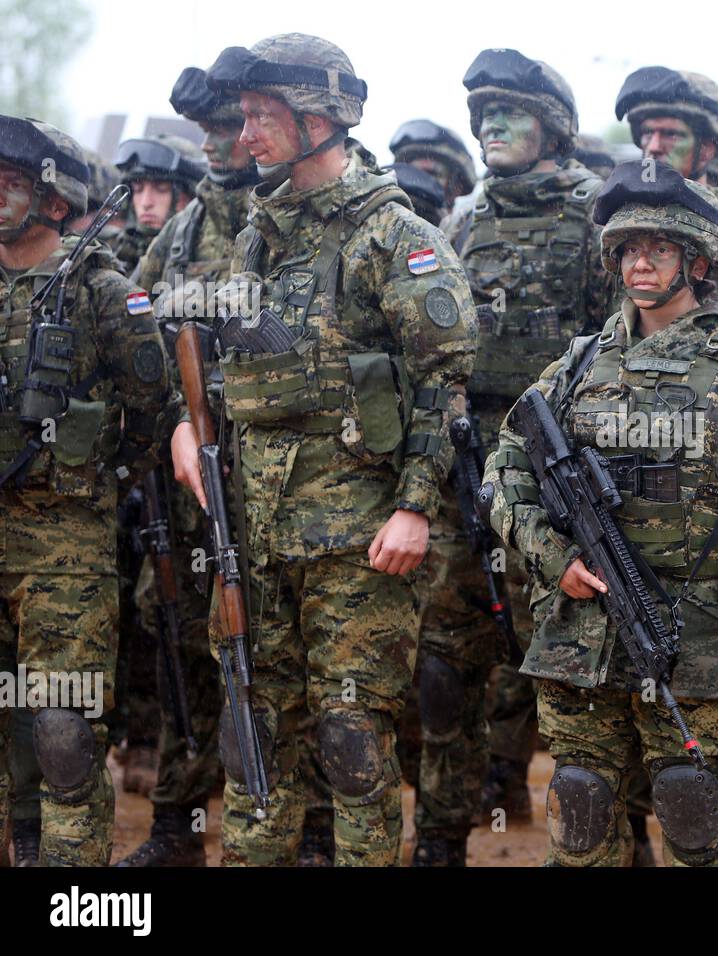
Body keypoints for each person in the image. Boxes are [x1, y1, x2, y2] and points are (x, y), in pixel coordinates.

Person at [170, 33, 475, 867]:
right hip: (256, 537)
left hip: (358, 539)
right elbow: (219, 368)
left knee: (352, 744)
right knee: (253, 736)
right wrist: (183, 425)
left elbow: (443, 385)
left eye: (263, 118)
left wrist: (415, 507)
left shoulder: (393, 237)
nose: (247, 138)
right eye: (245, 119)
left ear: (319, 121)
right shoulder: (260, 238)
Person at [481, 159, 718, 866]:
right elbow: (505, 467)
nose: (641, 262)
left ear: (696, 262)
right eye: (630, 249)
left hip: (695, 634)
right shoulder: (581, 361)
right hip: (579, 631)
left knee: (691, 811)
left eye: (660, 249)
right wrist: (556, 558)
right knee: (579, 807)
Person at [410, 48, 615, 866]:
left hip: (565, 485)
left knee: (579, 682)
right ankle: (438, 841)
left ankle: (608, 840)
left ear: (554, 129)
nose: (494, 127)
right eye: (484, 115)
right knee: (445, 673)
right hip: (471, 483)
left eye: (512, 114)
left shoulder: (598, 220)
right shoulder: (460, 225)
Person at [0, 115, 169, 866]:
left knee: (62, 730)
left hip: (64, 547)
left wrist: (90, 476)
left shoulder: (104, 293)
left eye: (8, 185)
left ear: (55, 202)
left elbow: (151, 408)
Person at [116, 64, 262, 867]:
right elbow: (137, 336)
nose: (213, 148)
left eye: (225, 130)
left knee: (271, 656)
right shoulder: (181, 232)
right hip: (186, 482)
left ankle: (296, 826)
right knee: (180, 644)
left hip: (277, 480)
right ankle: (177, 824)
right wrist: (171, 417)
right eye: (202, 136)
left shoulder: (284, 220)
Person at [615, 66, 718, 258]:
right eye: (647, 133)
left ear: (706, 149)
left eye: (671, 134)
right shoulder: (618, 226)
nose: (653, 146)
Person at [111, 134, 207, 275]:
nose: (146, 203)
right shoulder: (115, 254)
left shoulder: (206, 256)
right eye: (138, 189)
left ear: (190, 195)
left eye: (161, 189)